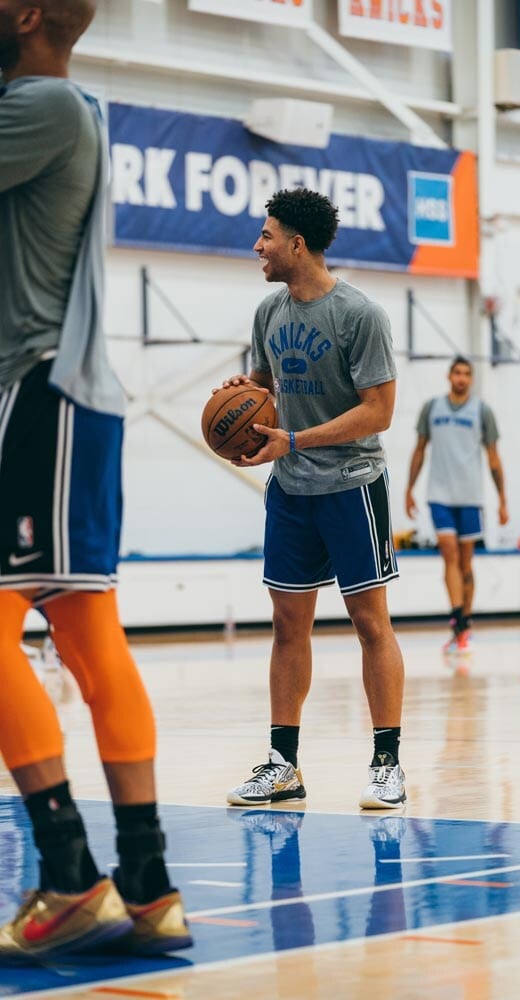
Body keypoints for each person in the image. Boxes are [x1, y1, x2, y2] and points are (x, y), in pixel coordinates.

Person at [0, 0, 191, 960]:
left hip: (41, 394)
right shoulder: (40, 104)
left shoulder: (42, 104)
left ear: (28, 15)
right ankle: (147, 887)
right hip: (49, 401)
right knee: (85, 632)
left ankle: (71, 876)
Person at [221, 188, 406, 810]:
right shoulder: (269, 313)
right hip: (292, 490)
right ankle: (282, 764)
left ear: (297, 244)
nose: (259, 246)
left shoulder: (361, 315)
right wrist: (240, 397)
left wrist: (295, 437)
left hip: (352, 484)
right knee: (286, 626)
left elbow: (378, 413)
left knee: (369, 623)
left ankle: (387, 762)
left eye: (267, 236)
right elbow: (266, 388)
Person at [405, 356, 508, 654]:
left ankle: (467, 621)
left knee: (465, 562)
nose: (461, 378)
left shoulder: (482, 411)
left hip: (471, 496)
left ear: (471, 379)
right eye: (457, 373)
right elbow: (419, 449)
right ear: (449, 376)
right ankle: (457, 622)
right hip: (439, 494)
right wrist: (409, 488)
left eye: (466, 374)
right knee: (448, 555)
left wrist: (502, 499)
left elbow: (494, 457)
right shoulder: (431, 408)